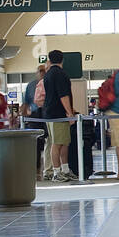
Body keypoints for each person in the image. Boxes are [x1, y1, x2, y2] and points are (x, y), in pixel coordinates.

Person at [41, 50, 76, 182]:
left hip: (50, 113)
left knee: (64, 142)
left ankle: (65, 170)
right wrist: (70, 113)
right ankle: (57, 172)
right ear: (62, 60)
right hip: (58, 114)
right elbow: (63, 95)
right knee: (57, 144)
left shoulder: (48, 74)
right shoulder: (60, 74)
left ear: (50, 59)